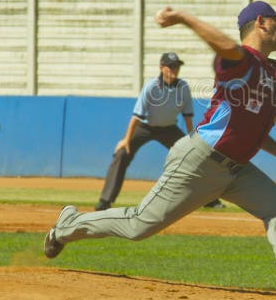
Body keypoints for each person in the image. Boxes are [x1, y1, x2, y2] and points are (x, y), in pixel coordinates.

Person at [44, 1, 276, 300]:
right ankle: (68, 226)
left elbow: (250, 132)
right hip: (201, 160)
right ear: (260, 22)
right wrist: (182, 17)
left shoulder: (269, 76)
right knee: (139, 225)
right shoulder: (242, 61)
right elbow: (227, 48)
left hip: (237, 169)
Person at [94, 52, 225, 211]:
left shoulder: (182, 87)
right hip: (145, 127)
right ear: (161, 67)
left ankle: (209, 199)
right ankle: (105, 200)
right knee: (122, 153)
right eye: (170, 66)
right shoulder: (151, 86)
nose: (174, 70)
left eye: (176, 67)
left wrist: (192, 140)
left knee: (194, 156)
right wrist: (126, 140)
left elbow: (188, 117)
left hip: (169, 129)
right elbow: (136, 116)